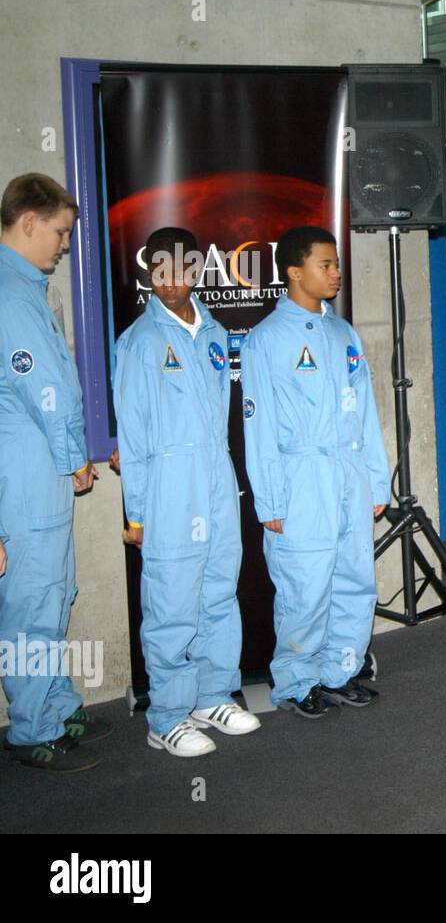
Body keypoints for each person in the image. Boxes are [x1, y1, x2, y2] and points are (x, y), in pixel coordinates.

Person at [112, 226, 259, 757]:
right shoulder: (140, 342)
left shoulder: (216, 334)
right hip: (170, 486)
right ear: (149, 272)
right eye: (161, 268)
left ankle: (212, 695)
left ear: (196, 270)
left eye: (183, 267)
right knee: (172, 601)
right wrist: (138, 514)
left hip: (217, 481)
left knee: (219, 592)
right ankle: (167, 716)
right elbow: (131, 435)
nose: (173, 278)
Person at [241, 226, 391, 718]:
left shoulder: (343, 332)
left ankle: (339, 671)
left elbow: (364, 411)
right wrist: (271, 500)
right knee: (305, 588)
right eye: (324, 265)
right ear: (293, 271)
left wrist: (375, 478)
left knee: (353, 580)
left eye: (336, 264)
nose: (335, 273)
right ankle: (297, 680)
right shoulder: (265, 339)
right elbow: (257, 425)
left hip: (348, 473)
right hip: (300, 477)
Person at [0, 172, 109, 772]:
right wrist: (75, 458)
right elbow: (45, 392)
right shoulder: (11, 295)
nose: (65, 245)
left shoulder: (26, 288)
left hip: (39, 476)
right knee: (32, 607)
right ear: (30, 221)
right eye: (62, 233)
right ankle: (31, 730)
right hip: (25, 478)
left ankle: (58, 705)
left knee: (55, 595)